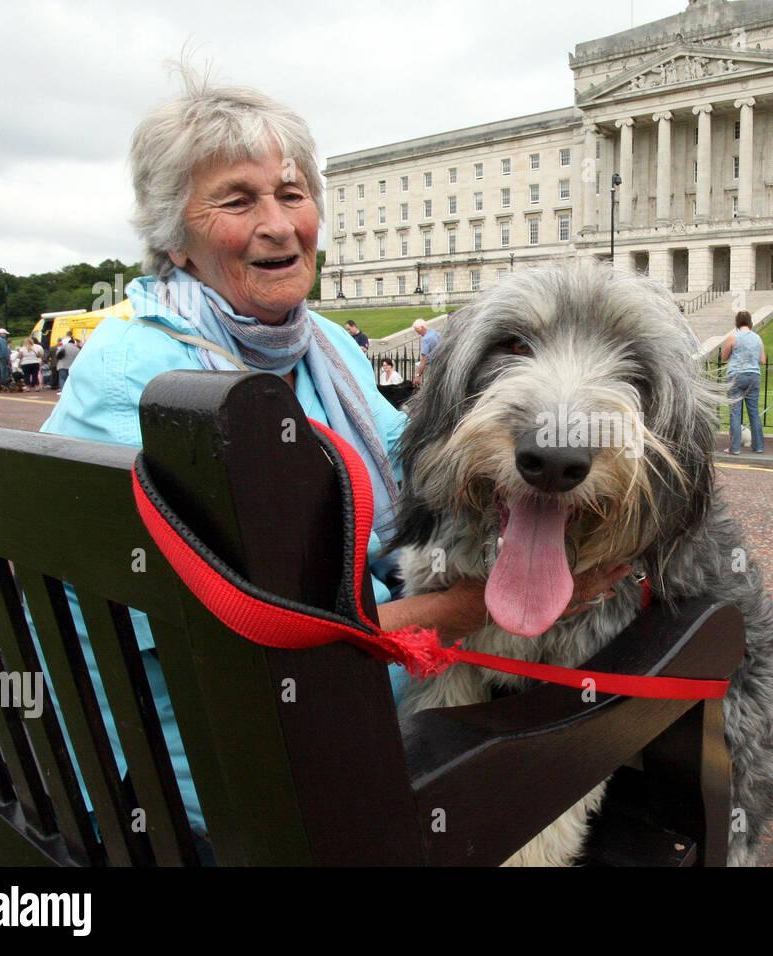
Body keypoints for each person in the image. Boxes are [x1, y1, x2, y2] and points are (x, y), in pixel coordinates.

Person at [39, 65, 627, 843]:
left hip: (313, 705)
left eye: (292, 193)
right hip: (216, 758)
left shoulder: (322, 348)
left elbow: (419, 485)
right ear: (172, 236)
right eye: (237, 200)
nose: (279, 224)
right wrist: (467, 608)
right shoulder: (136, 375)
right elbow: (232, 644)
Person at [720, 310, 766, 455]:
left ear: (737, 322)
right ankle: (758, 446)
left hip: (736, 374)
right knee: (754, 412)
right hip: (753, 374)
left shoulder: (733, 337)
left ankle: (735, 447)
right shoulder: (758, 338)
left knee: (735, 413)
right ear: (750, 322)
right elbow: (762, 360)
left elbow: (724, 357)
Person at [412, 317, 441, 386]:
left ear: (422, 328)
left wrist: (418, 375)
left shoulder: (426, 339)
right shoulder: (435, 333)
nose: (418, 334)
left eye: (418, 331)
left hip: (432, 366)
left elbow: (424, 359)